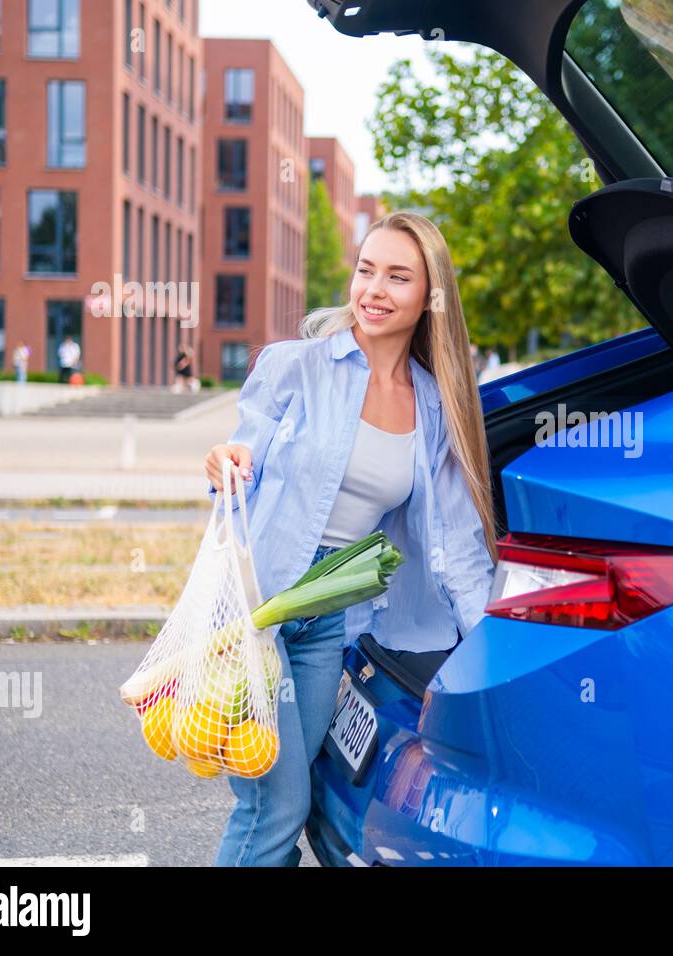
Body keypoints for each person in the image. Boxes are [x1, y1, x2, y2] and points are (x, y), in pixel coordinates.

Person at [203, 211, 497, 867]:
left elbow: (457, 550)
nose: (374, 289)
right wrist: (223, 461)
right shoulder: (294, 368)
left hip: (329, 614)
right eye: (367, 270)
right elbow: (240, 456)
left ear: (430, 297)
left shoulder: (432, 406)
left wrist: (493, 648)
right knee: (270, 806)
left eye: (397, 276)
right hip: (262, 608)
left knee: (298, 793)